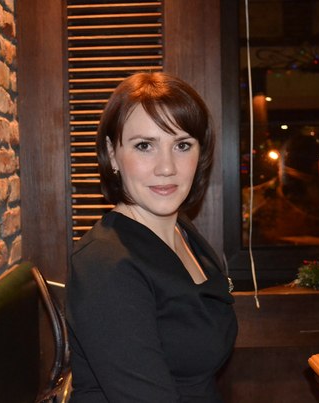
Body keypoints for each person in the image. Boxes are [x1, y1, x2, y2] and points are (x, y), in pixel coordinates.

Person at [65, 72, 238, 402]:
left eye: (182, 145)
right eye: (145, 146)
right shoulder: (105, 263)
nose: (166, 167)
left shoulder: (183, 232)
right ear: (112, 154)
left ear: (200, 153)